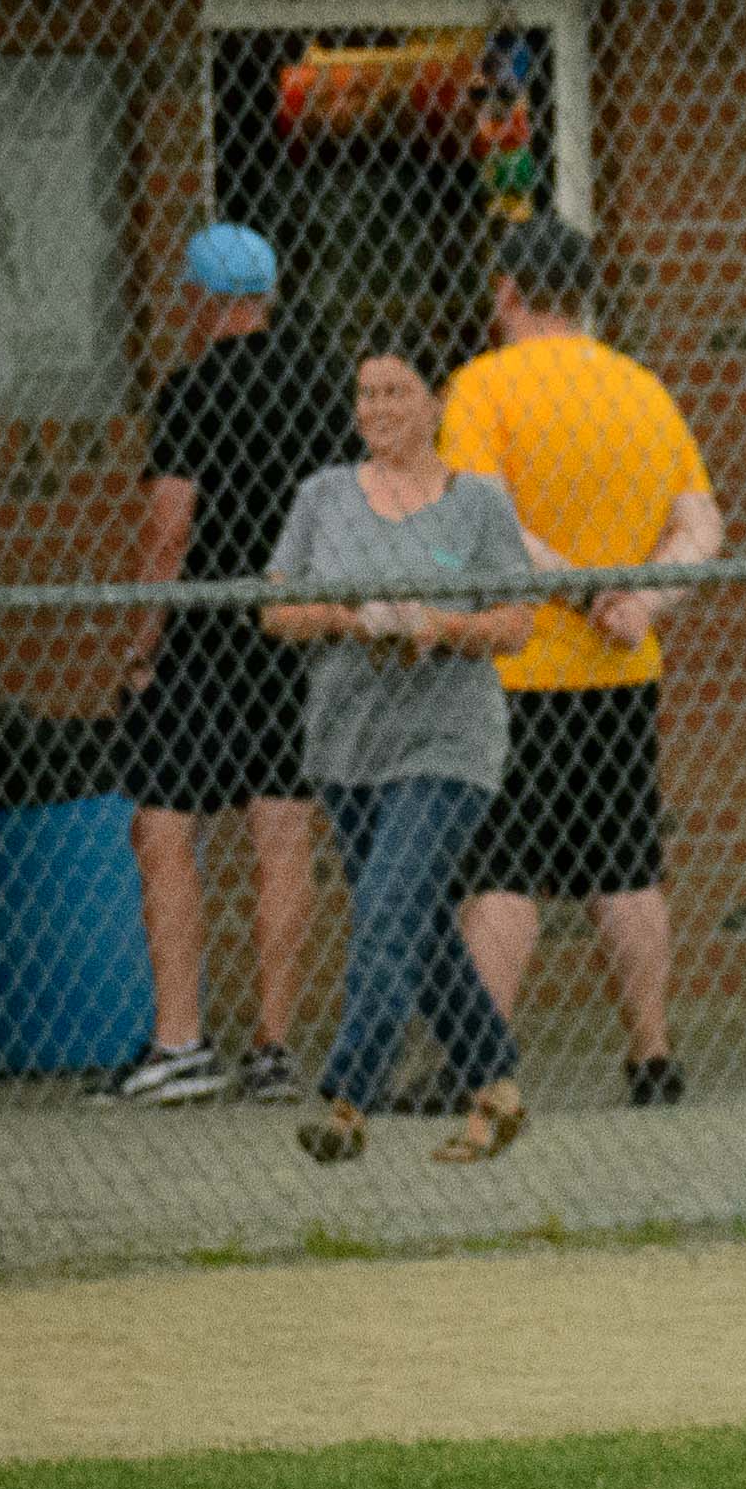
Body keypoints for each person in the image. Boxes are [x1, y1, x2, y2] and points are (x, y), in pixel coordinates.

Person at [442, 215, 723, 1105]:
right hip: (622, 671)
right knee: (626, 868)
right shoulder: (640, 388)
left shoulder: (482, 387)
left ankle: (480, 1065)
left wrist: (580, 592)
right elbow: (700, 524)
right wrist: (637, 600)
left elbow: (489, 525)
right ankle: (650, 1054)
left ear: (509, 293)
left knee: (501, 869)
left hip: (518, 670)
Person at [260, 340, 537, 1165]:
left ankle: (346, 1100)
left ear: (433, 406)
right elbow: (277, 611)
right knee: (414, 931)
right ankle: (496, 1085)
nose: (377, 409)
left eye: (396, 393)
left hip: (447, 743)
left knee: (384, 912)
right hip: (347, 746)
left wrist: (442, 629)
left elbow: (515, 624)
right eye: (366, 394)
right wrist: (352, 618)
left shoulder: (478, 505)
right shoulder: (324, 497)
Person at [102, 223, 353, 1108]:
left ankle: (179, 1041)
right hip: (294, 637)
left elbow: (168, 530)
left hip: (205, 639)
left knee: (167, 828)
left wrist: (141, 647)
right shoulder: (330, 385)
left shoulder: (193, 390)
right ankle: (275, 1047)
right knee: (282, 832)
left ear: (204, 298)